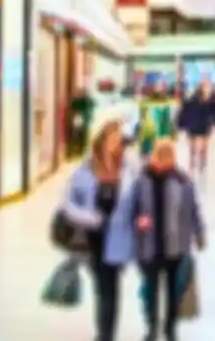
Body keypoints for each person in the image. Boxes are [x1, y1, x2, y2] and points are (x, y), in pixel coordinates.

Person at [60, 121, 137, 341]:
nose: (118, 144)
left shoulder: (130, 166)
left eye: (120, 140)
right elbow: (67, 203)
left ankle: (106, 334)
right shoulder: (85, 169)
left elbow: (141, 194)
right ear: (102, 141)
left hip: (119, 236)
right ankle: (104, 333)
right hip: (93, 237)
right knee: (103, 287)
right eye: (113, 139)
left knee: (111, 286)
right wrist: (89, 218)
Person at [132, 140, 205, 341]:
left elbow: (193, 210)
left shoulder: (183, 182)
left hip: (175, 246)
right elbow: (132, 208)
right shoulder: (142, 180)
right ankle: (152, 327)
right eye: (161, 157)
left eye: (168, 157)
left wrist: (199, 234)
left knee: (173, 290)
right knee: (150, 291)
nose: (164, 161)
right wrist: (137, 221)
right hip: (149, 245)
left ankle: (170, 328)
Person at [176, 81, 214, 180]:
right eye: (206, 88)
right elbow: (209, 114)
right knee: (201, 147)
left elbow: (183, 112)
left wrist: (181, 124)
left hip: (194, 126)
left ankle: (195, 164)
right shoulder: (205, 101)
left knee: (195, 147)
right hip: (200, 126)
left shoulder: (193, 100)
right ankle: (200, 164)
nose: (208, 90)